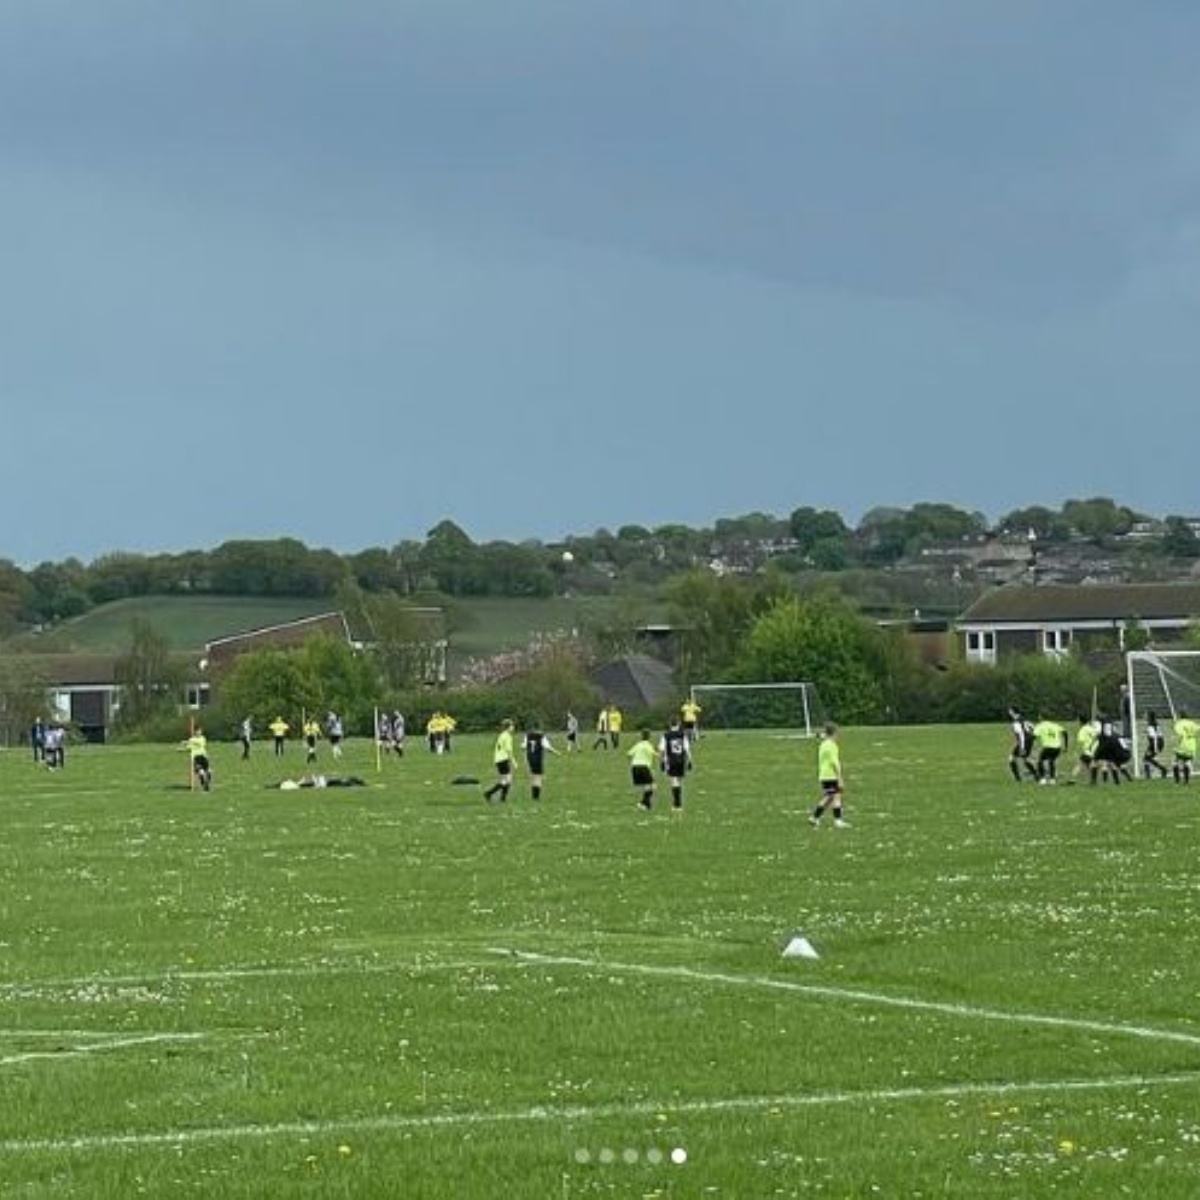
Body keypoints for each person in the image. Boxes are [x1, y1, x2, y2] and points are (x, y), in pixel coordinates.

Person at [809, 722, 847, 828]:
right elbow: (834, 762)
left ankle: (814, 817)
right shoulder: (832, 745)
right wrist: (839, 777)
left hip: (823, 775)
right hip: (831, 775)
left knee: (829, 797)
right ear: (834, 733)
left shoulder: (823, 744)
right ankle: (838, 821)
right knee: (836, 796)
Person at [659, 719, 692, 810]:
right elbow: (687, 749)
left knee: (674, 780)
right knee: (679, 780)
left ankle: (676, 804)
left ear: (670, 725)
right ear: (678, 724)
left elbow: (662, 750)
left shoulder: (665, 735)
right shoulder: (683, 735)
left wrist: (662, 761)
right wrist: (689, 761)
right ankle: (679, 803)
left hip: (671, 760)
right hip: (681, 760)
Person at [522, 722, 560, 800]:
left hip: (530, 758)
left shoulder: (527, 735)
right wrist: (556, 752)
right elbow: (547, 747)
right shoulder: (541, 736)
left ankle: (533, 796)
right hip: (537, 758)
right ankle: (536, 797)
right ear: (538, 729)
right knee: (539, 777)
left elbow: (523, 746)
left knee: (533, 776)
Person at [483, 719, 517, 803]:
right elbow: (509, 750)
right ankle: (489, 793)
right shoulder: (508, 736)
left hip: (498, 759)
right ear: (508, 727)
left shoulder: (502, 735)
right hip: (503, 759)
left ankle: (502, 798)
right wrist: (513, 761)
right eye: (512, 726)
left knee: (505, 780)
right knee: (506, 780)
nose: (513, 727)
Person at [1032, 715, 1068, 784]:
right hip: (1057, 747)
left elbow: (1033, 736)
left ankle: (1043, 779)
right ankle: (1052, 779)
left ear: (1041, 718)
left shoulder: (1040, 725)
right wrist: (1066, 746)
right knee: (1051, 761)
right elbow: (1065, 732)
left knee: (1040, 761)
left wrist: (1032, 745)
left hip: (1048, 747)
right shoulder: (1055, 725)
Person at [628, 729, 658, 811]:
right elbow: (655, 754)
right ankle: (642, 803)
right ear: (649, 737)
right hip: (644, 767)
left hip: (634, 767)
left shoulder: (638, 744)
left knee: (647, 786)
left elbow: (629, 753)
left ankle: (646, 806)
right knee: (652, 786)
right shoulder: (649, 745)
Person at [1007, 709, 1039, 782]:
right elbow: (1034, 728)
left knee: (1012, 758)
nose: (1009, 713)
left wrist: (1022, 747)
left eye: (1010, 711)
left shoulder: (1016, 722)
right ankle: (1036, 775)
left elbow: (1021, 735)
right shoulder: (1025, 720)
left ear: (1013, 712)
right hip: (1028, 741)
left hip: (1023, 742)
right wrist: (1033, 738)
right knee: (1025, 759)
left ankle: (1018, 778)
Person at [1070, 716, 1099, 783]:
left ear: (1081, 722)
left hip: (1087, 751)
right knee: (1083, 764)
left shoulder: (1082, 730)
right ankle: (1072, 779)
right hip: (1095, 750)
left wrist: (1077, 752)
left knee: (1083, 764)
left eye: (1078, 721)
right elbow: (1096, 738)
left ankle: (1072, 779)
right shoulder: (1091, 728)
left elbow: (1081, 742)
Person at [1172, 710, 1199, 784]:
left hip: (1183, 745)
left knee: (1174, 761)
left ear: (1180, 716)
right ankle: (1186, 781)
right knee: (1187, 762)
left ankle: (1177, 781)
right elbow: (1197, 730)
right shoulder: (1192, 723)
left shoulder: (1179, 724)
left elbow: (1179, 735)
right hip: (1192, 745)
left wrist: (1176, 743)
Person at [1142, 710, 1169, 780]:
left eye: (1145, 714)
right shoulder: (1155, 724)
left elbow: (1154, 737)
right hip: (1160, 742)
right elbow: (1158, 733)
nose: (1144, 716)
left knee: (1146, 759)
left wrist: (1155, 747)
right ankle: (1161, 770)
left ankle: (1161, 770)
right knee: (1147, 758)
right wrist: (1147, 732)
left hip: (1155, 743)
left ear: (1149, 716)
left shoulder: (1150, 725)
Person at [184, 726, 212, 792]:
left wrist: (206, 754)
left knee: (209, 771)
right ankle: (204, 786)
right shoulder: (191, 739)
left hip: (203, 756)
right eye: (197, 731)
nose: (199, 732)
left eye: (200, 731)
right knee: (201, 772)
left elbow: (202, 746)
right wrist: (183, 748)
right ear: (194, 732)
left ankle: (207, 783)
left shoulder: (203, 738)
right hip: (196, 757)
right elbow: (188, 748)